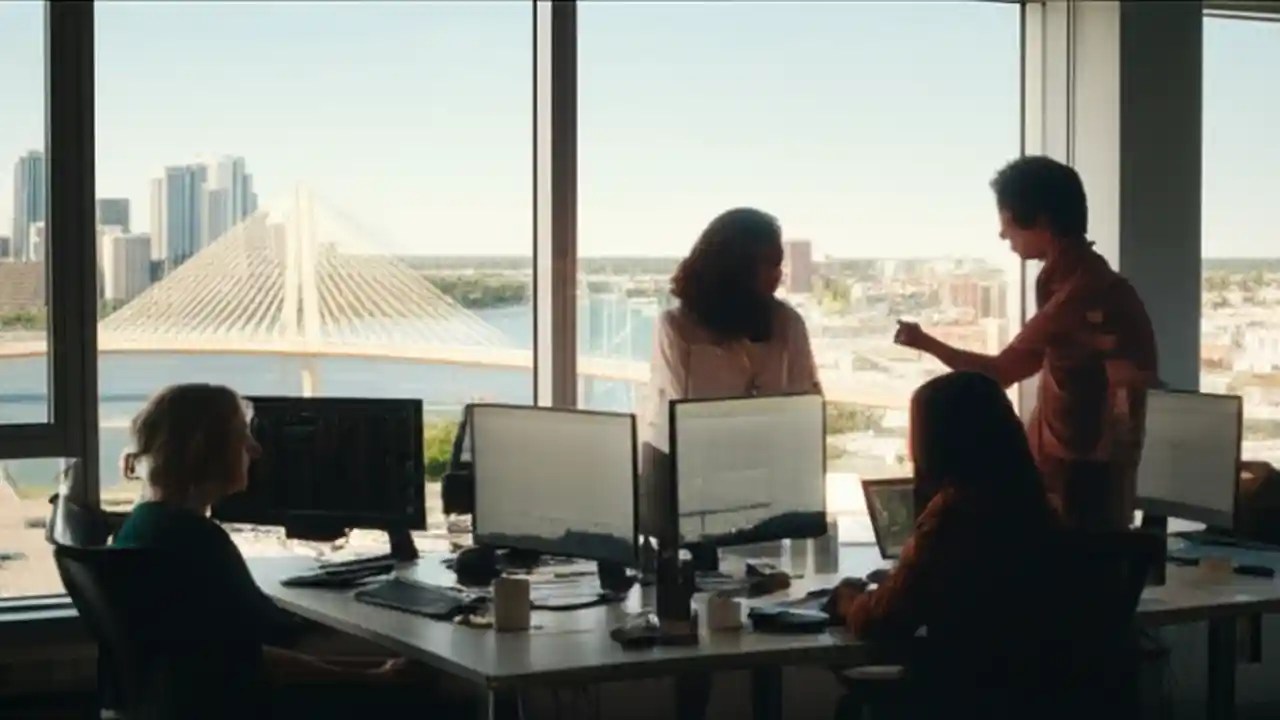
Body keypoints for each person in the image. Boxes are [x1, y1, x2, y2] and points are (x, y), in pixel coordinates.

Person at [112, 383, 419, 715]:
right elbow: (260, 656)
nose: (255, 450)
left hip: (180, 701)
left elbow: (231, 652)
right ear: (207, 450)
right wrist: (372, 677)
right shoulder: (199, 541)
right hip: (243, 704)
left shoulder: (141, 524)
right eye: (243, 435)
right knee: (432, 679)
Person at [894, 156, 1158, 530]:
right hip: (1088, 480)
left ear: (1042, 221)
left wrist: (925, 342)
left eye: (1008, 219)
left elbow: (999, 372)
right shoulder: (1089, 286)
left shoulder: (1079, 297)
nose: (1003, 234)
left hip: (1081, 486)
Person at [832, 371, 1065, 716]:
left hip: (963, 699)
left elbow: (884, 622)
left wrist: (848, 602)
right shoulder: (1042, 507)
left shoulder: (955, 517)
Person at [640, 207, 821, 457]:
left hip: (768, 469)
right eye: (767, 265)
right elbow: (684, 419)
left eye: (778, 265)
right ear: (735, 267)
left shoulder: (787, 324)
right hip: (685, 469)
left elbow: (807, 411)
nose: (777, 276)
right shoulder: (676, 328)